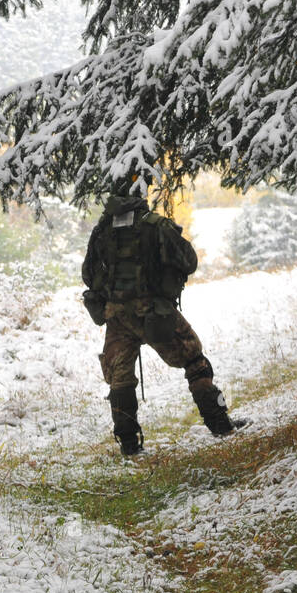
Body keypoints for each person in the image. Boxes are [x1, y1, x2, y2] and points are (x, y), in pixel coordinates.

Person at [81, 177, 238, 456]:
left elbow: (88, 275)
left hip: (117, 316)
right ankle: (220, 425)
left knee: (120, 377)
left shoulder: (101, 231)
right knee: (193, 359)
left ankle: (129, 446)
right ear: (141, 195)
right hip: (154, 312)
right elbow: (188, 261)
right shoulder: (155, 225)